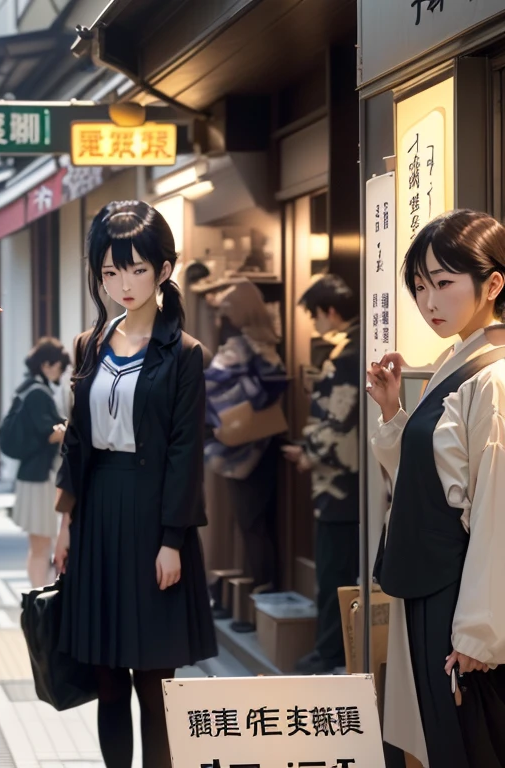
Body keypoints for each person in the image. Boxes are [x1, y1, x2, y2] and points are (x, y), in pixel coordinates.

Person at [53, 200, 217, 768]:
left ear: (164, 270)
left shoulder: (185, 354)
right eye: (110, 272)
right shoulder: (89, 344)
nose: (123, 284)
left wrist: (173, 540)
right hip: (97, 515)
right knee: (107, 679)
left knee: (154, 682)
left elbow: (186, 452)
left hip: (153, 519)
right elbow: (77, 441)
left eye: (137, 270)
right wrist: (65, 522)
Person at [369, 210, 505, 768]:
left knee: (466, 742)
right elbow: (430, 477)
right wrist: (394, 413)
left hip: (458, 592)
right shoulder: (457, 359)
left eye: (444, 283)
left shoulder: (494, 378)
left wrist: (478, 632)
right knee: (441, 738)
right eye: (420, 286)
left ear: (493, 284)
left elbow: (495, 509)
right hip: (436, 585)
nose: (429, 302)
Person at [282, 273, 360, 675]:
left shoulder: (349, 356)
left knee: (334, 573)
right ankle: (334, 649)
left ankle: (331, 651)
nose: (315, 324)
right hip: (350, 484)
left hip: (341, 486)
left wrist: (308, 452)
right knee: (338, 571)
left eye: (315, 315)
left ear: (330, 311)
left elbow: (339, 422)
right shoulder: (355, 348)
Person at [204, 280, 288, 622]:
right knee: (261, 523)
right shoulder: (269, 344)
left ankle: (256, 604)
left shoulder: (237, 346)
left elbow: (210, 385)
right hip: (266, 442)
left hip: (240, 443)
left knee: (249, 522)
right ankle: (263, 593)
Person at [10, 337, 69, 586]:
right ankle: (38, 598)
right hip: (39, 479)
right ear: (46, 365)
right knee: (42, 545)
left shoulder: (27, 388)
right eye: (59, 367)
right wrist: (69, 429)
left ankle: (37, 595)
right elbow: (48, 433)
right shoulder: (38, 393)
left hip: (31, 475)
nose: (60, 373)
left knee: (39, 545)